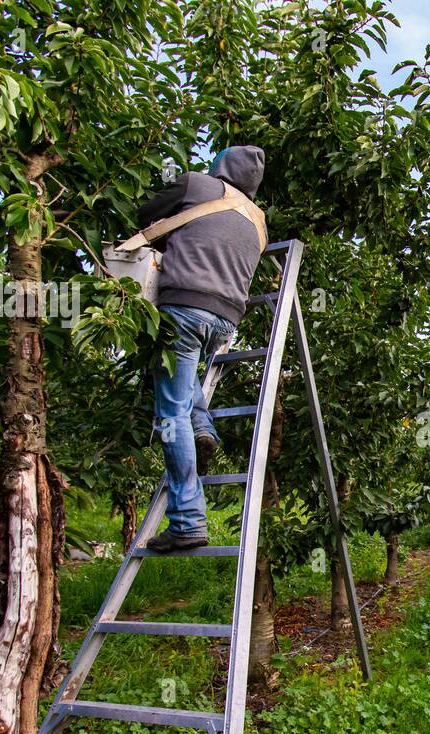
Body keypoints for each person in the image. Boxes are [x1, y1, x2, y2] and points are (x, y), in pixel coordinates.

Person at [136, 145, 266, 552]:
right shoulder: (258, 220)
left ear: (221, 165)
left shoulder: (196, 184)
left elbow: (146, 214)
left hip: (182, 308)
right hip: (225, 321)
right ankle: (204, 429)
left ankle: (188, 521)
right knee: (184, 379)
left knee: (169, 413)